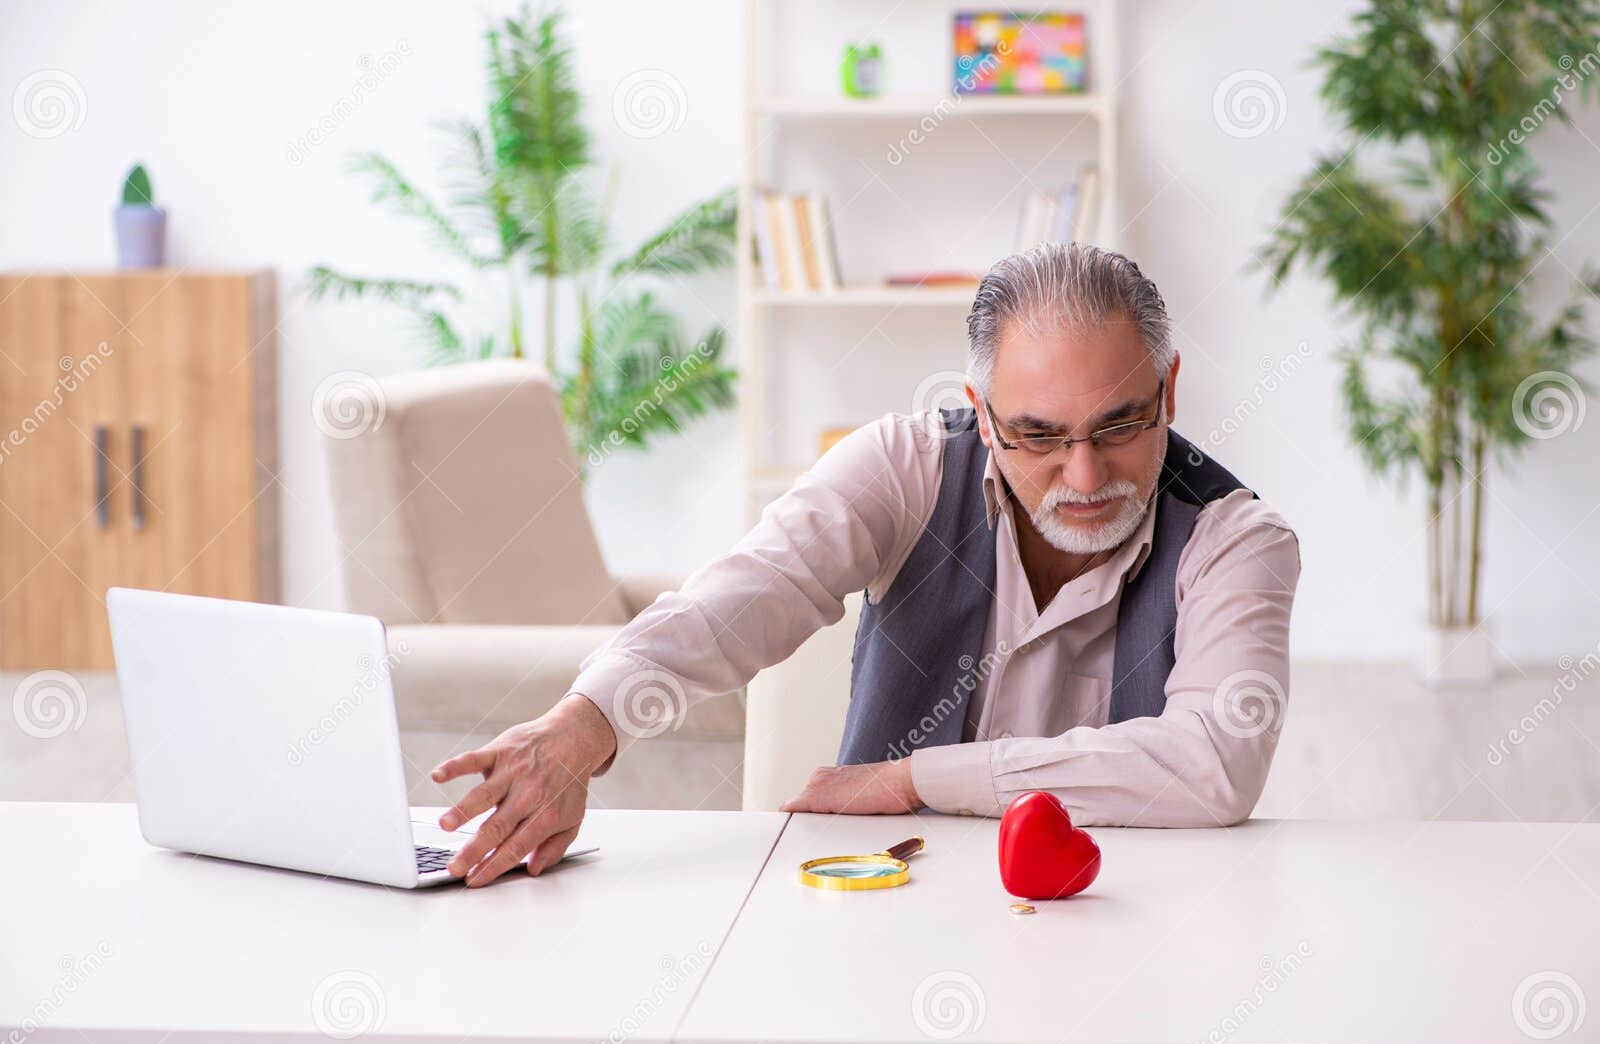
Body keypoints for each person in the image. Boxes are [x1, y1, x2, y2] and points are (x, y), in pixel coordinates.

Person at [431, 242, 1301, 886]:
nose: (1084, 475)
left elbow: (1212, 764)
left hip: (1126, 913)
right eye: (1038, 434)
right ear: (982, 411)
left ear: (1170, 390)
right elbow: (749, 593)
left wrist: (914, 778)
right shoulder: (903, 467)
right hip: (887, 893)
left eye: (1119, 425)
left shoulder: (1236, 541)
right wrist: (586, 723)